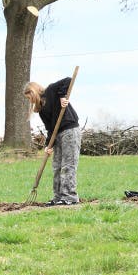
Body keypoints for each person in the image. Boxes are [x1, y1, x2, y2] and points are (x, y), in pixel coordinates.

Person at [24, 78, 81, 206]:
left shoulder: (51, 90)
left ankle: (70, 197)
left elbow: (68, 80)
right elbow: (50, 128)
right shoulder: (41, 110)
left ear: (34, 92)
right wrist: (48, 145)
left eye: (29, 97)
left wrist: (62, 97)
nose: (30, 101)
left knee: (68, 164)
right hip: (58, 134)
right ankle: (58, 196)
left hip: (70, 130)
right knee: (57, 166)